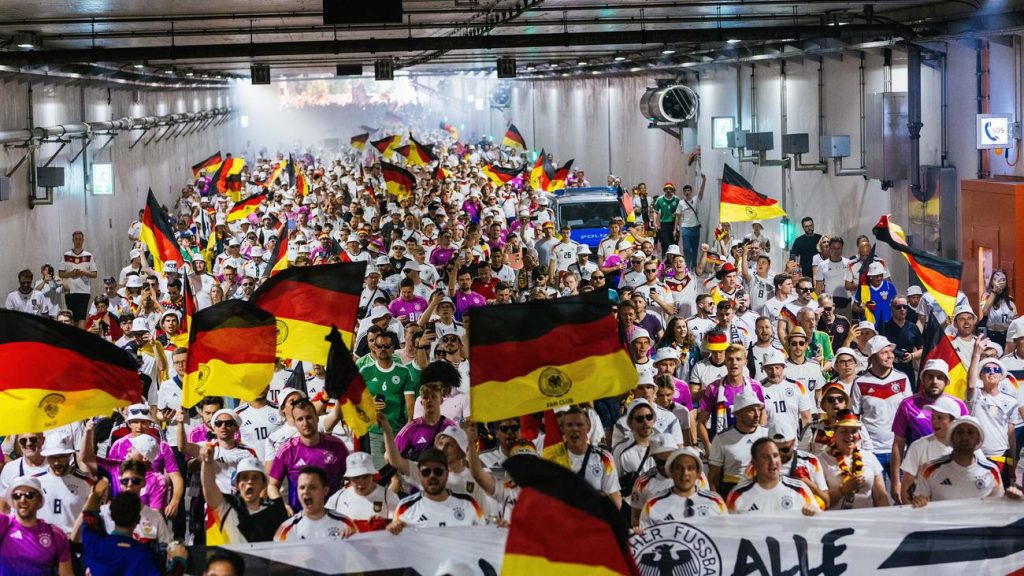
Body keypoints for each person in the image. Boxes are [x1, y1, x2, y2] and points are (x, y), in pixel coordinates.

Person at [889, 359, 969, 503]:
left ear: (946, 381)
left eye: (939, 377)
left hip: (953, 476)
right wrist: (896, 482)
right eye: (930, 376)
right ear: (922, 379)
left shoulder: (958, 405)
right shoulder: (907, 405)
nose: (934, 381)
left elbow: (967, 442)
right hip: (917, 477)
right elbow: (898, 444)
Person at [80, 479, 179, 576]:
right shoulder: (144, 554)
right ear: (138, 520)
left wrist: (97, 493)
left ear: (111, 515)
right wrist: (178, 562)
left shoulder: (94, 543)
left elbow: (88, 516)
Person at [269, 399, 350, 514]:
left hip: (334, 516)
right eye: (300, 419)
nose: (305, 423)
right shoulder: (287, 450)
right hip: (299, 518)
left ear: (317, 418)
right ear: (295, 424)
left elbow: (352, 478)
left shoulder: (337, 446)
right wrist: (281, 506)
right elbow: (272, 485)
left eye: (309, 417)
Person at [912, 417, 1015, 506]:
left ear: (978, 439)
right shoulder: (930, 469)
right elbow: (920, 502)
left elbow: (998, 507)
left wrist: (1014, 499)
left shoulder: (991, 471)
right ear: (952, 437)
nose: (965, 437)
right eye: (960, 432)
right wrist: (919, 502)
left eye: (970, 433)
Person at [897, 396, 981, 504]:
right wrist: (914, 515)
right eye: (933, 417)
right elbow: (906, 489)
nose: (934, 422)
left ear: (953, 421)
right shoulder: (918, 446)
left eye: (940, 417)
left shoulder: (969, 449)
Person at [851, 335, 911, 480]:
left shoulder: (902, 379)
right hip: (872, 452)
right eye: (884, 352)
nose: (890, 355)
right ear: (871, 357)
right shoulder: (860, 382)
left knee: (903, 497)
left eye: (891, 351)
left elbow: (909, 415)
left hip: (899, 449)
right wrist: (863, 447)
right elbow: (854, 418)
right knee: (878, 499)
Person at [201, 446, 287, 544]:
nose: (250, 482)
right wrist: (207, 463)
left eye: (255, 477)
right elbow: (209, 489)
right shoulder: (227, 506)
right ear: (237, 484)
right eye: (244, 477)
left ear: (264, 484)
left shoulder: (274, 511)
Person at [388, 448, 484, 533]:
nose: (432, 476)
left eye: (438, 471)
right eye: (426, 472)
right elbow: (396, 545)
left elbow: (484, 535)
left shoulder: (469, 503)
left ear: (447, 474)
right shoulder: (404, 507)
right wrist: (393, 531)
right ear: (419, 475)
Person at [0, 476, 73, 576]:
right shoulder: (3, 524)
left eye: (29, 495)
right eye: (17, 496)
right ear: (12, 501)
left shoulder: (56, 534)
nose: (22, 500)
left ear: (39, 500)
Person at [726, 438, 818, 515]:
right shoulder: (737, 494)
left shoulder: (800, 489)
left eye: (775, 455)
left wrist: (813, 514)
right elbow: (727, 530)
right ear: (754, 463)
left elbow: (818, 524)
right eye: (765, 457)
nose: (772, 461)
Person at [638, 446, 725, 527]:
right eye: (679, 468)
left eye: (690, 468)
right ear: (671, 471)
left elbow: (724, 533)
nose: (685, 473)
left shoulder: (716, 502)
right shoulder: (652, 506)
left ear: (698, 473)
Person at [697, 344, 763, 447]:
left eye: (738, 359)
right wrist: (708, 446)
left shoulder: (756, 387)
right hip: (722, 446)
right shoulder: (713, 388)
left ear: (745, 362)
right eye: (730, 359)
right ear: (725, 362)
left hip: (749, 445)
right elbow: (701, 422)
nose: (734, 363)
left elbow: (763, 417)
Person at [819, 410, 888, 509]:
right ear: (835, 433)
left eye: (854, 431)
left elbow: (881, 497)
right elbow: (818, 502)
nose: (850, 435)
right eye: (844, 431)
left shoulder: (869, 457)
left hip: (866, 520)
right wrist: (843, 490)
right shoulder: (821, 460)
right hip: (836, 522)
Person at [707, 389, 768, 495]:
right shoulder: (721, 438)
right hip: (732, 493)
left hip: (763, 491)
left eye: (758, 410)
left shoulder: (768, 435)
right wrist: (717, 503)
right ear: (738, 413)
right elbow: (713, 478)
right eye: (751, 410)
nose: (757, 415)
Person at [274, 466, 357, 541]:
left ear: (325, 490)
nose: (306, 491)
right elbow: (276, 557)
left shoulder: (345, 524)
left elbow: (360, 555)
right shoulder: (286, 529)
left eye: (312, 487)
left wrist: (354, 540)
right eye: (302, 487)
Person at [35, 432, 92, 535]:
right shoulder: (35, 482)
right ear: (46, 457)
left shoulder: (87, 482)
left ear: (69, 455)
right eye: (52, 457)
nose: (57, 462)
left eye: (61, 457)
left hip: (73, 543)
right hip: (43, 542)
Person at [326, 452, 398, 532]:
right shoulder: (336, 498)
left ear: (372, 475)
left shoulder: (389, 497)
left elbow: (398, 527)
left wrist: (385, 523)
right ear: (349, 478)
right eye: (356, 478)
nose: (361, 483)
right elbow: (324, 525)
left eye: (365, 477)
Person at [768, 419, 830, 509]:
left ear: (793, 442)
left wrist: (813, 488)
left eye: (785, 449)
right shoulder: (760, 463)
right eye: (775, 450)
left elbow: (827, 501)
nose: (780, 454)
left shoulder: (810, 461)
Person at [760, 348, 813, 433]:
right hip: (768, 442)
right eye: (770, 368)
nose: (774, 372)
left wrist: (806, 440)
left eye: (777, 367)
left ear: (783, 367)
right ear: (764, 369)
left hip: (793, 443)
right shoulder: (758, 389)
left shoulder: (798, 386)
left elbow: (806, 416)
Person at [879, 296, 923, 389]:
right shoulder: (884, 328)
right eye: (898, 307)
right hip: (887, 372)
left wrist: (911, 356)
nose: (902, 309)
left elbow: (922, 349)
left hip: (908, 372)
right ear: (892, 308)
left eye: (905, 307)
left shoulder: (913, 327)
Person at [59, 230, 98, 327]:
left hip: (83, 291)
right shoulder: (66, 255)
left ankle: (81, 339)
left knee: (82, 316)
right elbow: (61, 273)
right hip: (70, 291)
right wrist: (71, 273)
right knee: (73, 317)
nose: (78, 241)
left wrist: (84, 272)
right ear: (72, 240)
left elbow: (94, 274)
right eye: (76, 239)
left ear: (83, 240)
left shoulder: (88, 255)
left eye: (80, 239)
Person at [675, 176, 706, 269]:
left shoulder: (696, 199)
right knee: (687, 248)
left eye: (689, 190)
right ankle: (688, 265)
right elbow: (678, 216)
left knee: (695, 248)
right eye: (685, 191)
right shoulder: (681, 203)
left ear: (691, 191)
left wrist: (704, 180)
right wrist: (675, 228)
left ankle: (694, 265)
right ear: (683, 192)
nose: (687, 192)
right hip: (685, 228)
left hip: (695, 227)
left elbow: (701, 191)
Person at [981, 269, 1016, 349]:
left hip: (1007, 336)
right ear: (992, 281)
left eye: (1003, 280)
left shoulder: (1010, 300)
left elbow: (1015, 320)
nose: (1000, 282)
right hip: (992, 336)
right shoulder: (986, 297)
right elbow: (985, 311)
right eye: (996, 279)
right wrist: (994, 291)